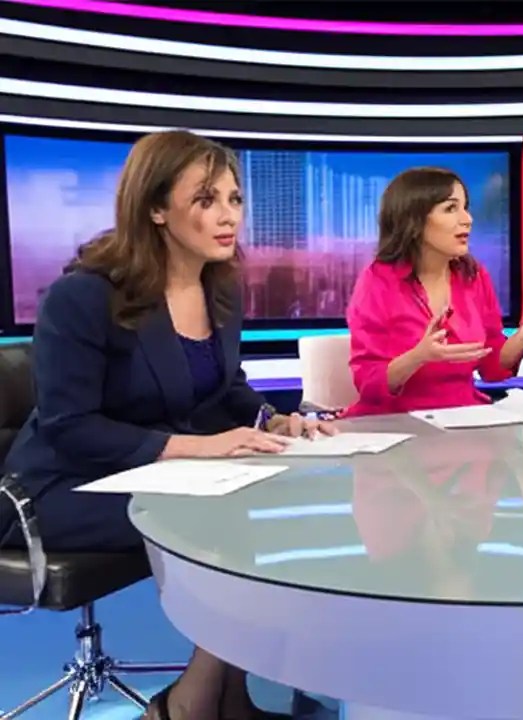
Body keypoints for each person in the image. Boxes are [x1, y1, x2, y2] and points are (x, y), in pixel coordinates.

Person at [0, 130, 335, 720]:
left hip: (156, 475)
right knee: (221, 521)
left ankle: (230, 699)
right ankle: (189, 705)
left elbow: (225, 389)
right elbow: (68, 427)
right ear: (156, 208)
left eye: (234, 199)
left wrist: (276, 421)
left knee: (265, 498)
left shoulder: (219, 291)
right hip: (57, 488)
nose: (228, 216)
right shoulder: (82, 298)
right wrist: (193, 449)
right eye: (206, 200)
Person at [345, 167, 523, 416]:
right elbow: (368, 385)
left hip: (464, 419)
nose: (467, 219)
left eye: (465, 207)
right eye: (450, 208)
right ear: (414, 219)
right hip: (396, 423)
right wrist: (418, 357)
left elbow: (493, 368)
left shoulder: (473, 276)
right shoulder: (377, 283)